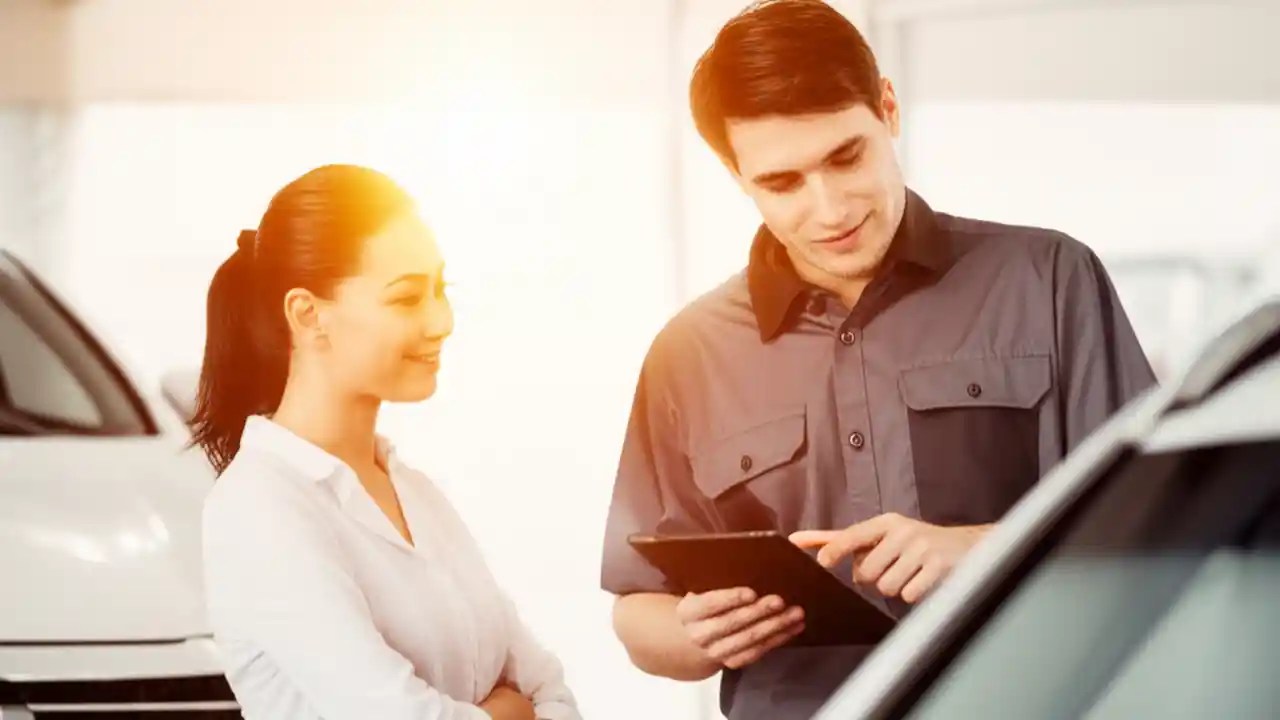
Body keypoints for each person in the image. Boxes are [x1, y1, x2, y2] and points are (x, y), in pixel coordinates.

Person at [599, 1, 1157, 718]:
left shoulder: (1048, 280)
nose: (829, 208)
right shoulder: (687, 354)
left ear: (887, 109)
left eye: (846, 156)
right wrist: (692, 633)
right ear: (736, 174)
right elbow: (637, 609)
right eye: (782, 183)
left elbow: (1157, 529)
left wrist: (989, 549)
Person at [192, 164, 580, 720]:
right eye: (406, 299)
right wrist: (510, 713)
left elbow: (553, 690)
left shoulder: (414, 490)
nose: (441, 320)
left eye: (440, 289)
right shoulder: (259, 506)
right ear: (308, 315)